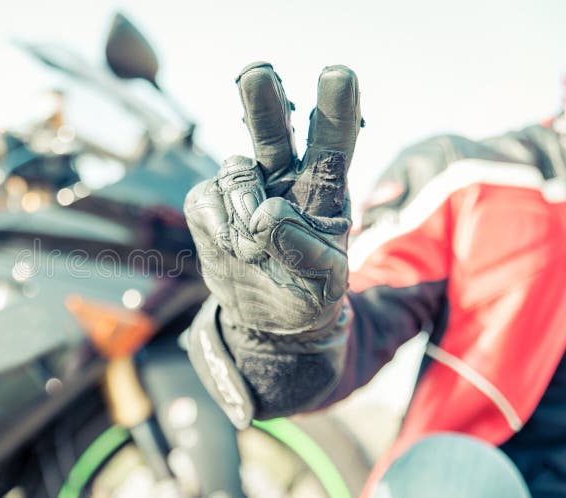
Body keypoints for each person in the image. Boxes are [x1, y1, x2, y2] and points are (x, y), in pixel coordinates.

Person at [183, 61, 566, 497]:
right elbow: (364, 316)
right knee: (454, 474)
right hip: (487, 481)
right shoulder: (475, 181)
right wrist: (288, 335)